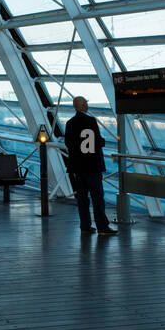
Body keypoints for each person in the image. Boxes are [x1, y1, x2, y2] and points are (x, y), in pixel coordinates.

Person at [64, 95, 116, 235]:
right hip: (92, 166)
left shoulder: (70, 123)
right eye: (86, 103)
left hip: (78, 167)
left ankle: (85, 226)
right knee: (97, 198)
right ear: (83, 106)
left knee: (82, 198)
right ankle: (102, 227)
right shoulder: (90, 121)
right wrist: (103, 142)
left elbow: (68, 143)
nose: (87, 105)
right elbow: (97, 141)